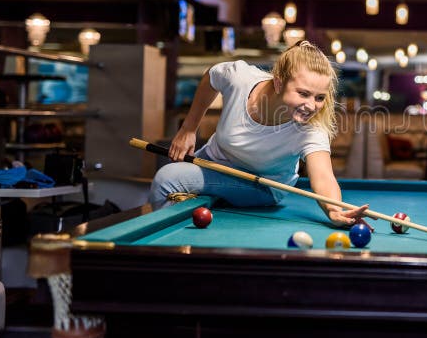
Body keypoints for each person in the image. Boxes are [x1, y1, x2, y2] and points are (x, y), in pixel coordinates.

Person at [150, 41, 370, 228]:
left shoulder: (311, 129)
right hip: (210, 162)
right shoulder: (240, 79)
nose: (312, 106)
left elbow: (323, 177)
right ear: (278, 82)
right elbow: (211, 77)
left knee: (168, 178)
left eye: (320, 97)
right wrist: (189, 129)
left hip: (262, 187)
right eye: (303, 93)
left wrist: (334, 209)